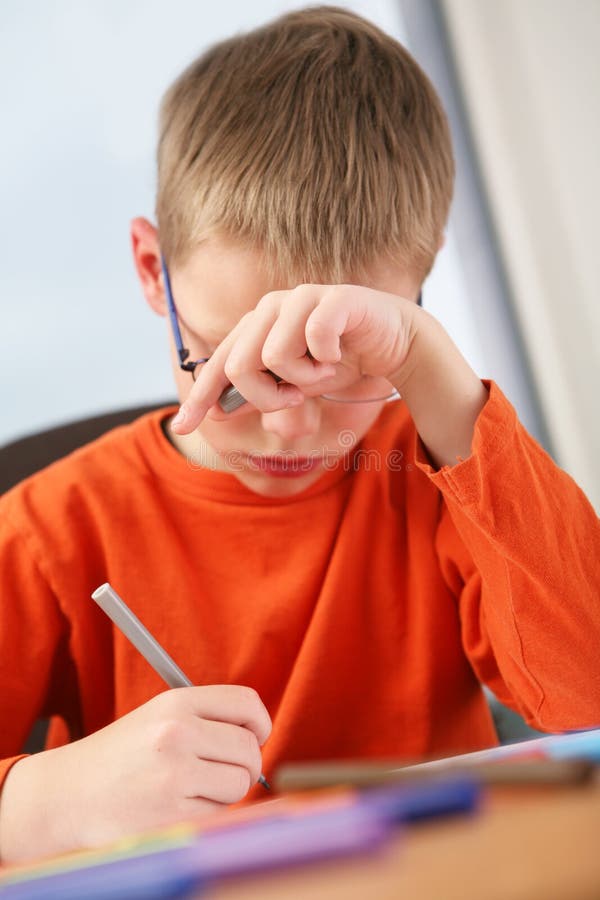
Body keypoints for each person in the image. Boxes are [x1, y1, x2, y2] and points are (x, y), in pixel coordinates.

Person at [0, 5, 599, 865]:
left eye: (351, 369)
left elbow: (591, 700)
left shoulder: (431, 478)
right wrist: (37, 806)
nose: (290, 422)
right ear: (149, 271)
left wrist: (439, 380)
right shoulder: (48, 533)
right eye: (229, 366)